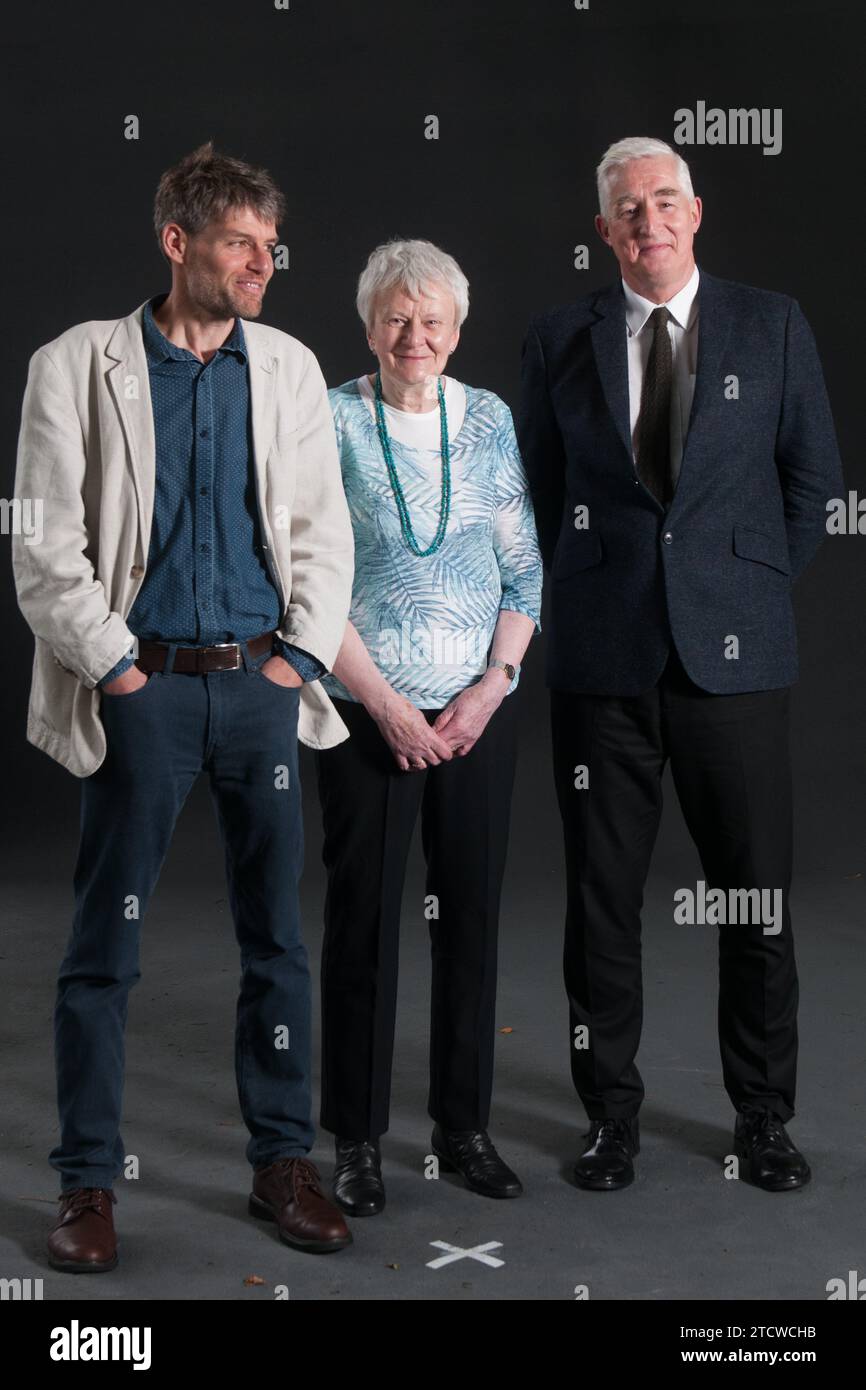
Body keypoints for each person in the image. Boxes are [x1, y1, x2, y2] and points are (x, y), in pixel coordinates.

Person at [12, 141, 356, 1269]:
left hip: (259, 694)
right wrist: (117, 670)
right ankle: (87, 1187)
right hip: (140, 695)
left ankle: (281, 1162)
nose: (264, 264)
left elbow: (321, 536)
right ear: (177, 242)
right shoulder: (74, 366)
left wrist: (296, 663)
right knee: (102, 947)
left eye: (270, 245)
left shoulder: (291, 369)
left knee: (277, 941)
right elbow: (44, 549)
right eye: (240, 244)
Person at [517, 136, 843, 1194]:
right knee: (601, 904)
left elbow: (810, 485)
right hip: (600, 665)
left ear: (693, 214)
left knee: (753, 905)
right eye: (626, 208)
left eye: (664, 201)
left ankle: (760, 1121)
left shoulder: (771, 323)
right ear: (604, 231)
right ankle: (609, 1117)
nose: (646, 220)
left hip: (732, 667)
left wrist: (738, 588)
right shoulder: (556, 338)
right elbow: (532, 491)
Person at [313, 239, 543, 1215]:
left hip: (473, 719)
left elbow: (524, 570)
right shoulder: (326, 418)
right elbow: (305, 585)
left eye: (432, 320)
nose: (415, 336)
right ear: (369, 326)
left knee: (472, 924)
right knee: (360, 926)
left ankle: (464, 1128)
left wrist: (490, 687)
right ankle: (357, 1140)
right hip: (367, 712)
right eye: (395, 318)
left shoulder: (486, 417)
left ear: (456, 329)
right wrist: (389, 707)